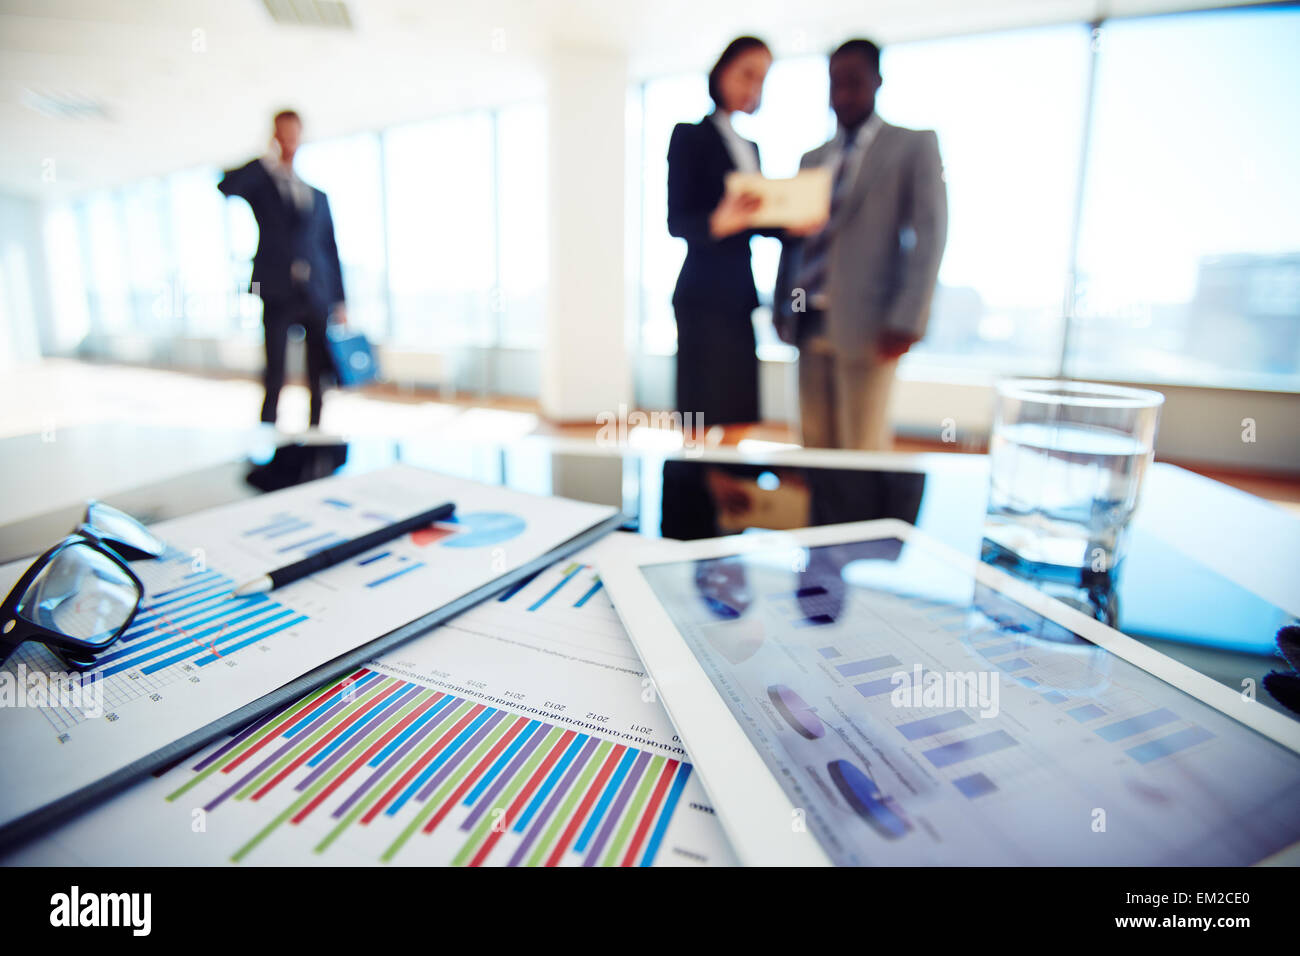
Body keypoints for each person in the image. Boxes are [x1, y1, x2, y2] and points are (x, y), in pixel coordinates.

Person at [774, 39, 948, 451]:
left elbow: (930, 233)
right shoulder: (813, 159)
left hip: (871, 325)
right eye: (834, 83)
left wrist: (909, 318)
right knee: (814, 447)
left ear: (877, 81)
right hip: (808, 320)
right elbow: (796, 244)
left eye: (853, 82)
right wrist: (785, 306)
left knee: (861, 447)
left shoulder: (912, 146)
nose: (842, 94)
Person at [666, 36, 772, 429]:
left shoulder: (752, 147)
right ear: (721, 71)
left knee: (740, 411)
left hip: (739, 293)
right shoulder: (690, 136)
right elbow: (677, 222)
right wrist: (717, 223)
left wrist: (794, 220)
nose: (753, 87)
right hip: (701, 293)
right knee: (699, 415)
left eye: (762, 79)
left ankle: (732, 487)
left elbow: (759, 222)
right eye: (747, 74)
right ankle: (696, 489)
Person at [218, 110, 346, 429]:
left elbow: (330, 250)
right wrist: (265, 161)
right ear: (273, 137)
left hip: (315, 293)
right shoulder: (261, 184)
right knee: (274, 368)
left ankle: (316, 433)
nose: (288, 141)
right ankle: (267, 432)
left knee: (318, 371)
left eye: (293, 134)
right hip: (276, 291)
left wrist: (340, 300)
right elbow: (226, 186)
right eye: (282, 134)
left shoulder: (317, 195)